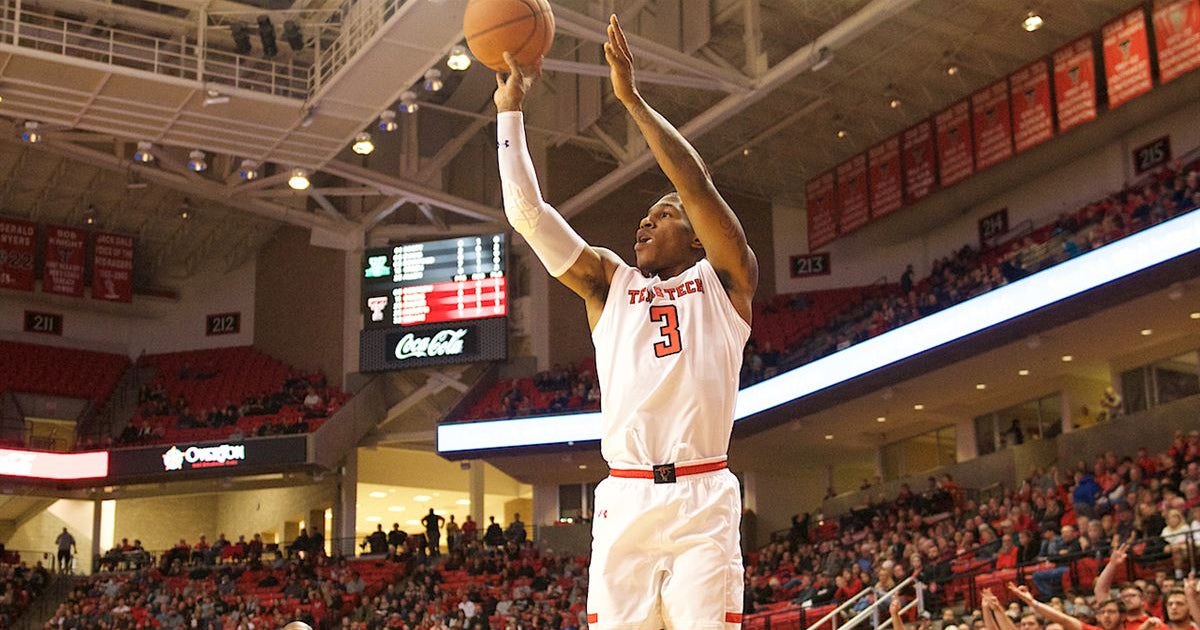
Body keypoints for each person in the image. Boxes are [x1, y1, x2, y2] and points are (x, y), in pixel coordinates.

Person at [493, 13, 758, 629]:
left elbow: (693, 183)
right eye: (644, 216)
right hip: (625, 496)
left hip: (702, 495)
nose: (645, 222)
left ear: (696, 239)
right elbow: (528, 216)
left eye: (662, 216)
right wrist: (509, 116)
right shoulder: (609, 283)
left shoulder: (724, 281)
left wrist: (630, 99)